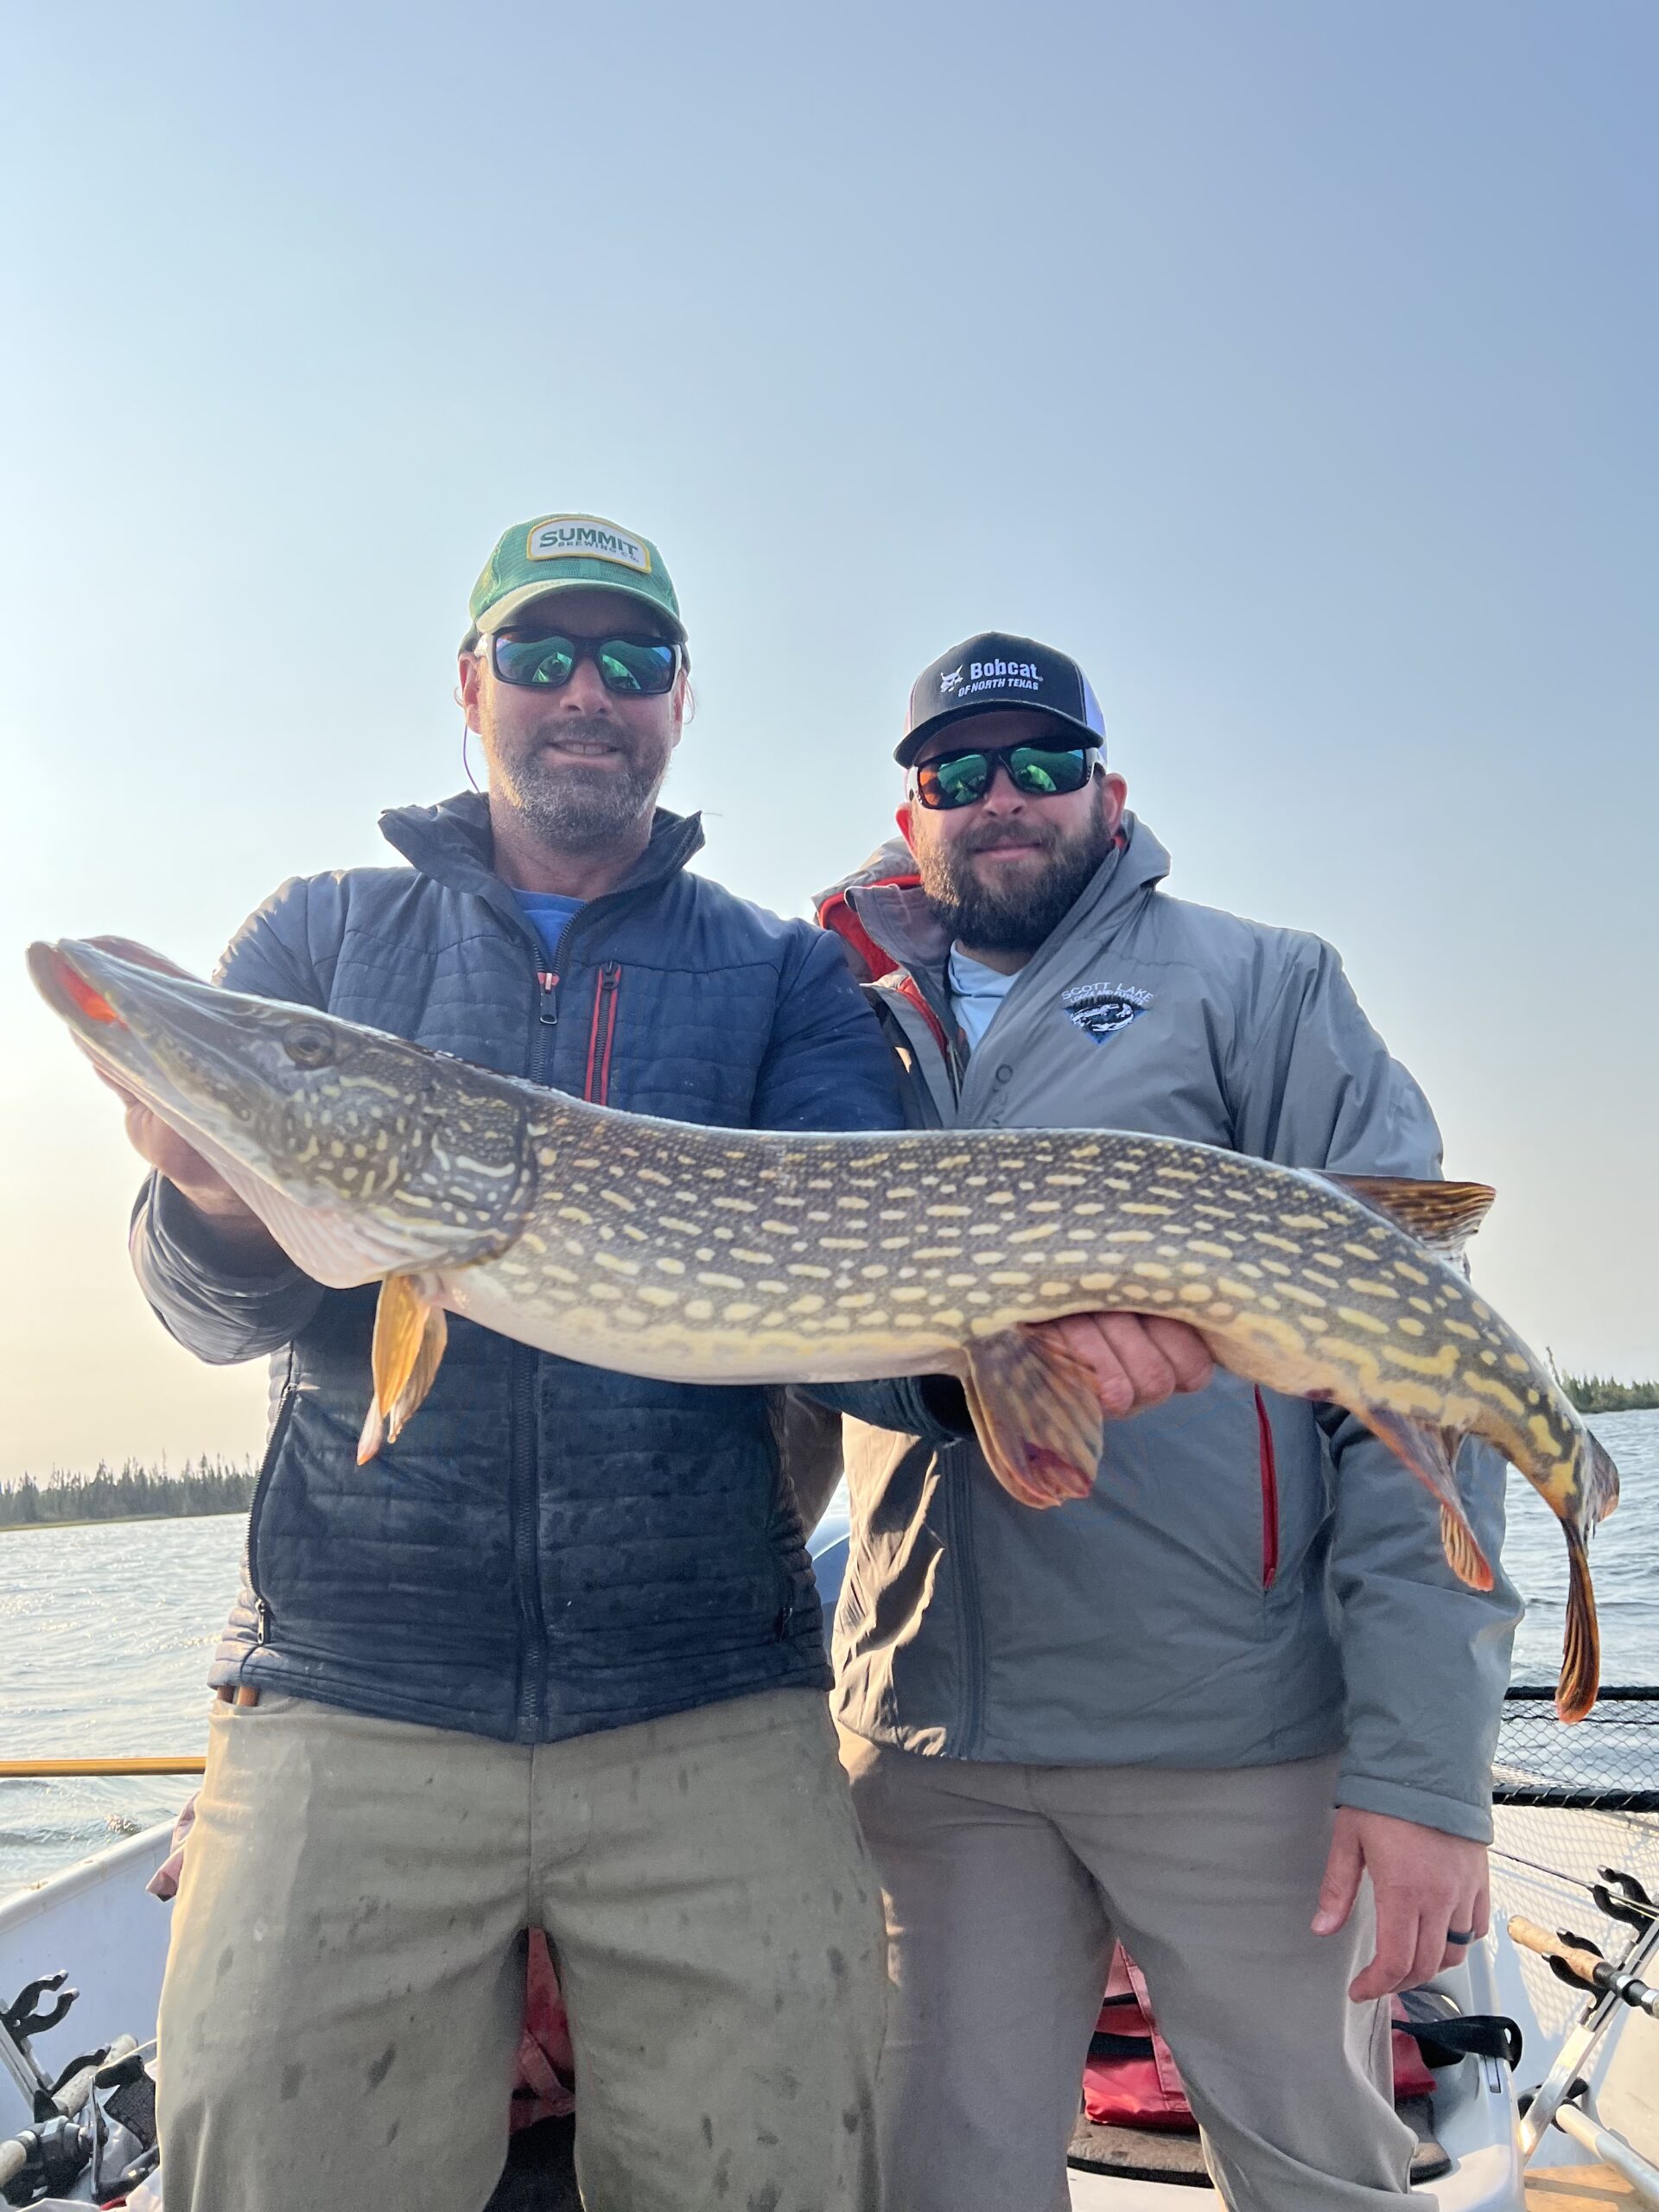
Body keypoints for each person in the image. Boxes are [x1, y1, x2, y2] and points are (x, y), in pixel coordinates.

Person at [117, 513, 900, 2212]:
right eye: (540, 653)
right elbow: (204, 1310)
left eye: (631, 657)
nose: (585, 692)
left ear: (682, 698)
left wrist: (1021, 1349)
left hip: (708, 1699)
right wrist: (220, 1200)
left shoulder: (786, 976)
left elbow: (883, 1334)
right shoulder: (322, 938)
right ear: (470, 686)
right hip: (349, 1687)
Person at [810, 631, 1521, 2212]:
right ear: (912, 810)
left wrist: (1422, 1772)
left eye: (1044, 764)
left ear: (1110, 791)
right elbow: (783, 1371)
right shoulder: (832, 1019)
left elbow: (1416, 1386)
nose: (1005, 797)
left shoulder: (1262, 986)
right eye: (959, 772)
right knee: (943, 2187)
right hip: (937, 1746)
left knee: (1320, 2179)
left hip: (1237, 1735)